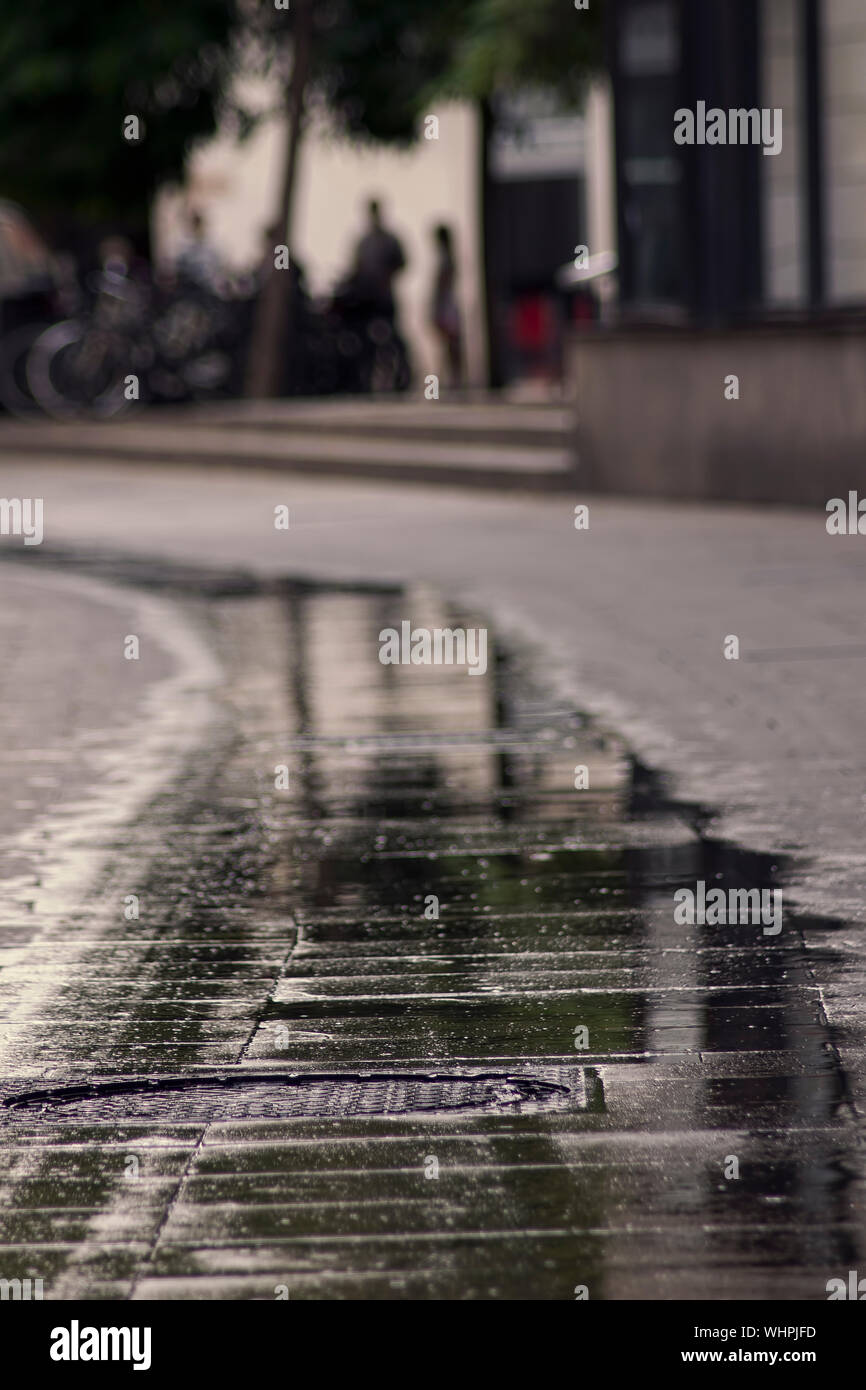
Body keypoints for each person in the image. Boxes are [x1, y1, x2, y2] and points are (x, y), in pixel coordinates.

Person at [349, 198, 407, 323]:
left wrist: (386, 275)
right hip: (366, 297)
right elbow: (356, 267)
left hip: (384, 295)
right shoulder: (364, 242)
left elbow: (402, 263)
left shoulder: (389, 240)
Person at [429, 223, 462, 389]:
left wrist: (435, 306)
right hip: (447, 304)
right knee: (448, 347)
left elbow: (442, 285)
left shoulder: (446, 259)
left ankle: (448, 382)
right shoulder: (448, 257)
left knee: (448, 347)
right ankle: (449, 382)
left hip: (445, 306)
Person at [175, 210, 221, 293]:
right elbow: (180, 267)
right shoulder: (185, 246)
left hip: (208, 288)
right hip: (191, 288)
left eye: (199, 224)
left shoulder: (211, 245)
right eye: (196, 224)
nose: (198, 228)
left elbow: (218, 265)